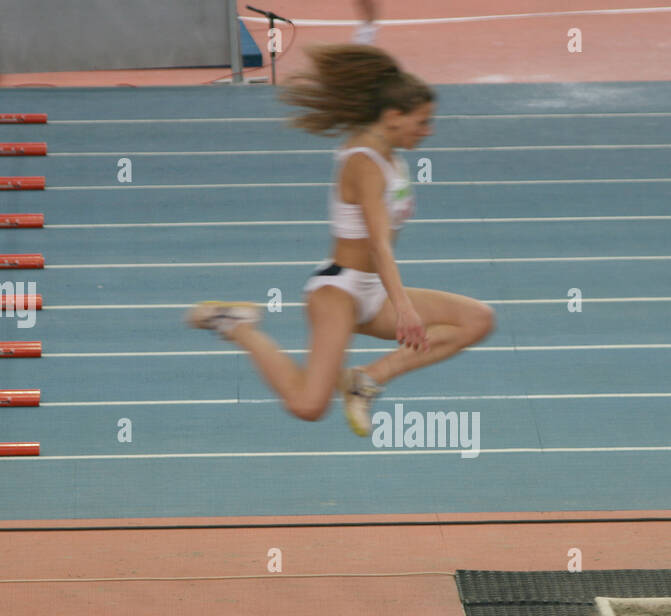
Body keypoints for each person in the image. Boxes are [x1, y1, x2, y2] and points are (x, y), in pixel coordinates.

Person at [185, 44, 494, 437]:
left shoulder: (390, 151)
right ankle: (235, 324)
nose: (428, 130)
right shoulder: (365, 164)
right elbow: (379, 245)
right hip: (339, 291)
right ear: (394, 116)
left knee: (477, 320)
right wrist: (405, 309)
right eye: (422, 122)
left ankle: (365, 379)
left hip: (372, 294)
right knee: (308, 406)